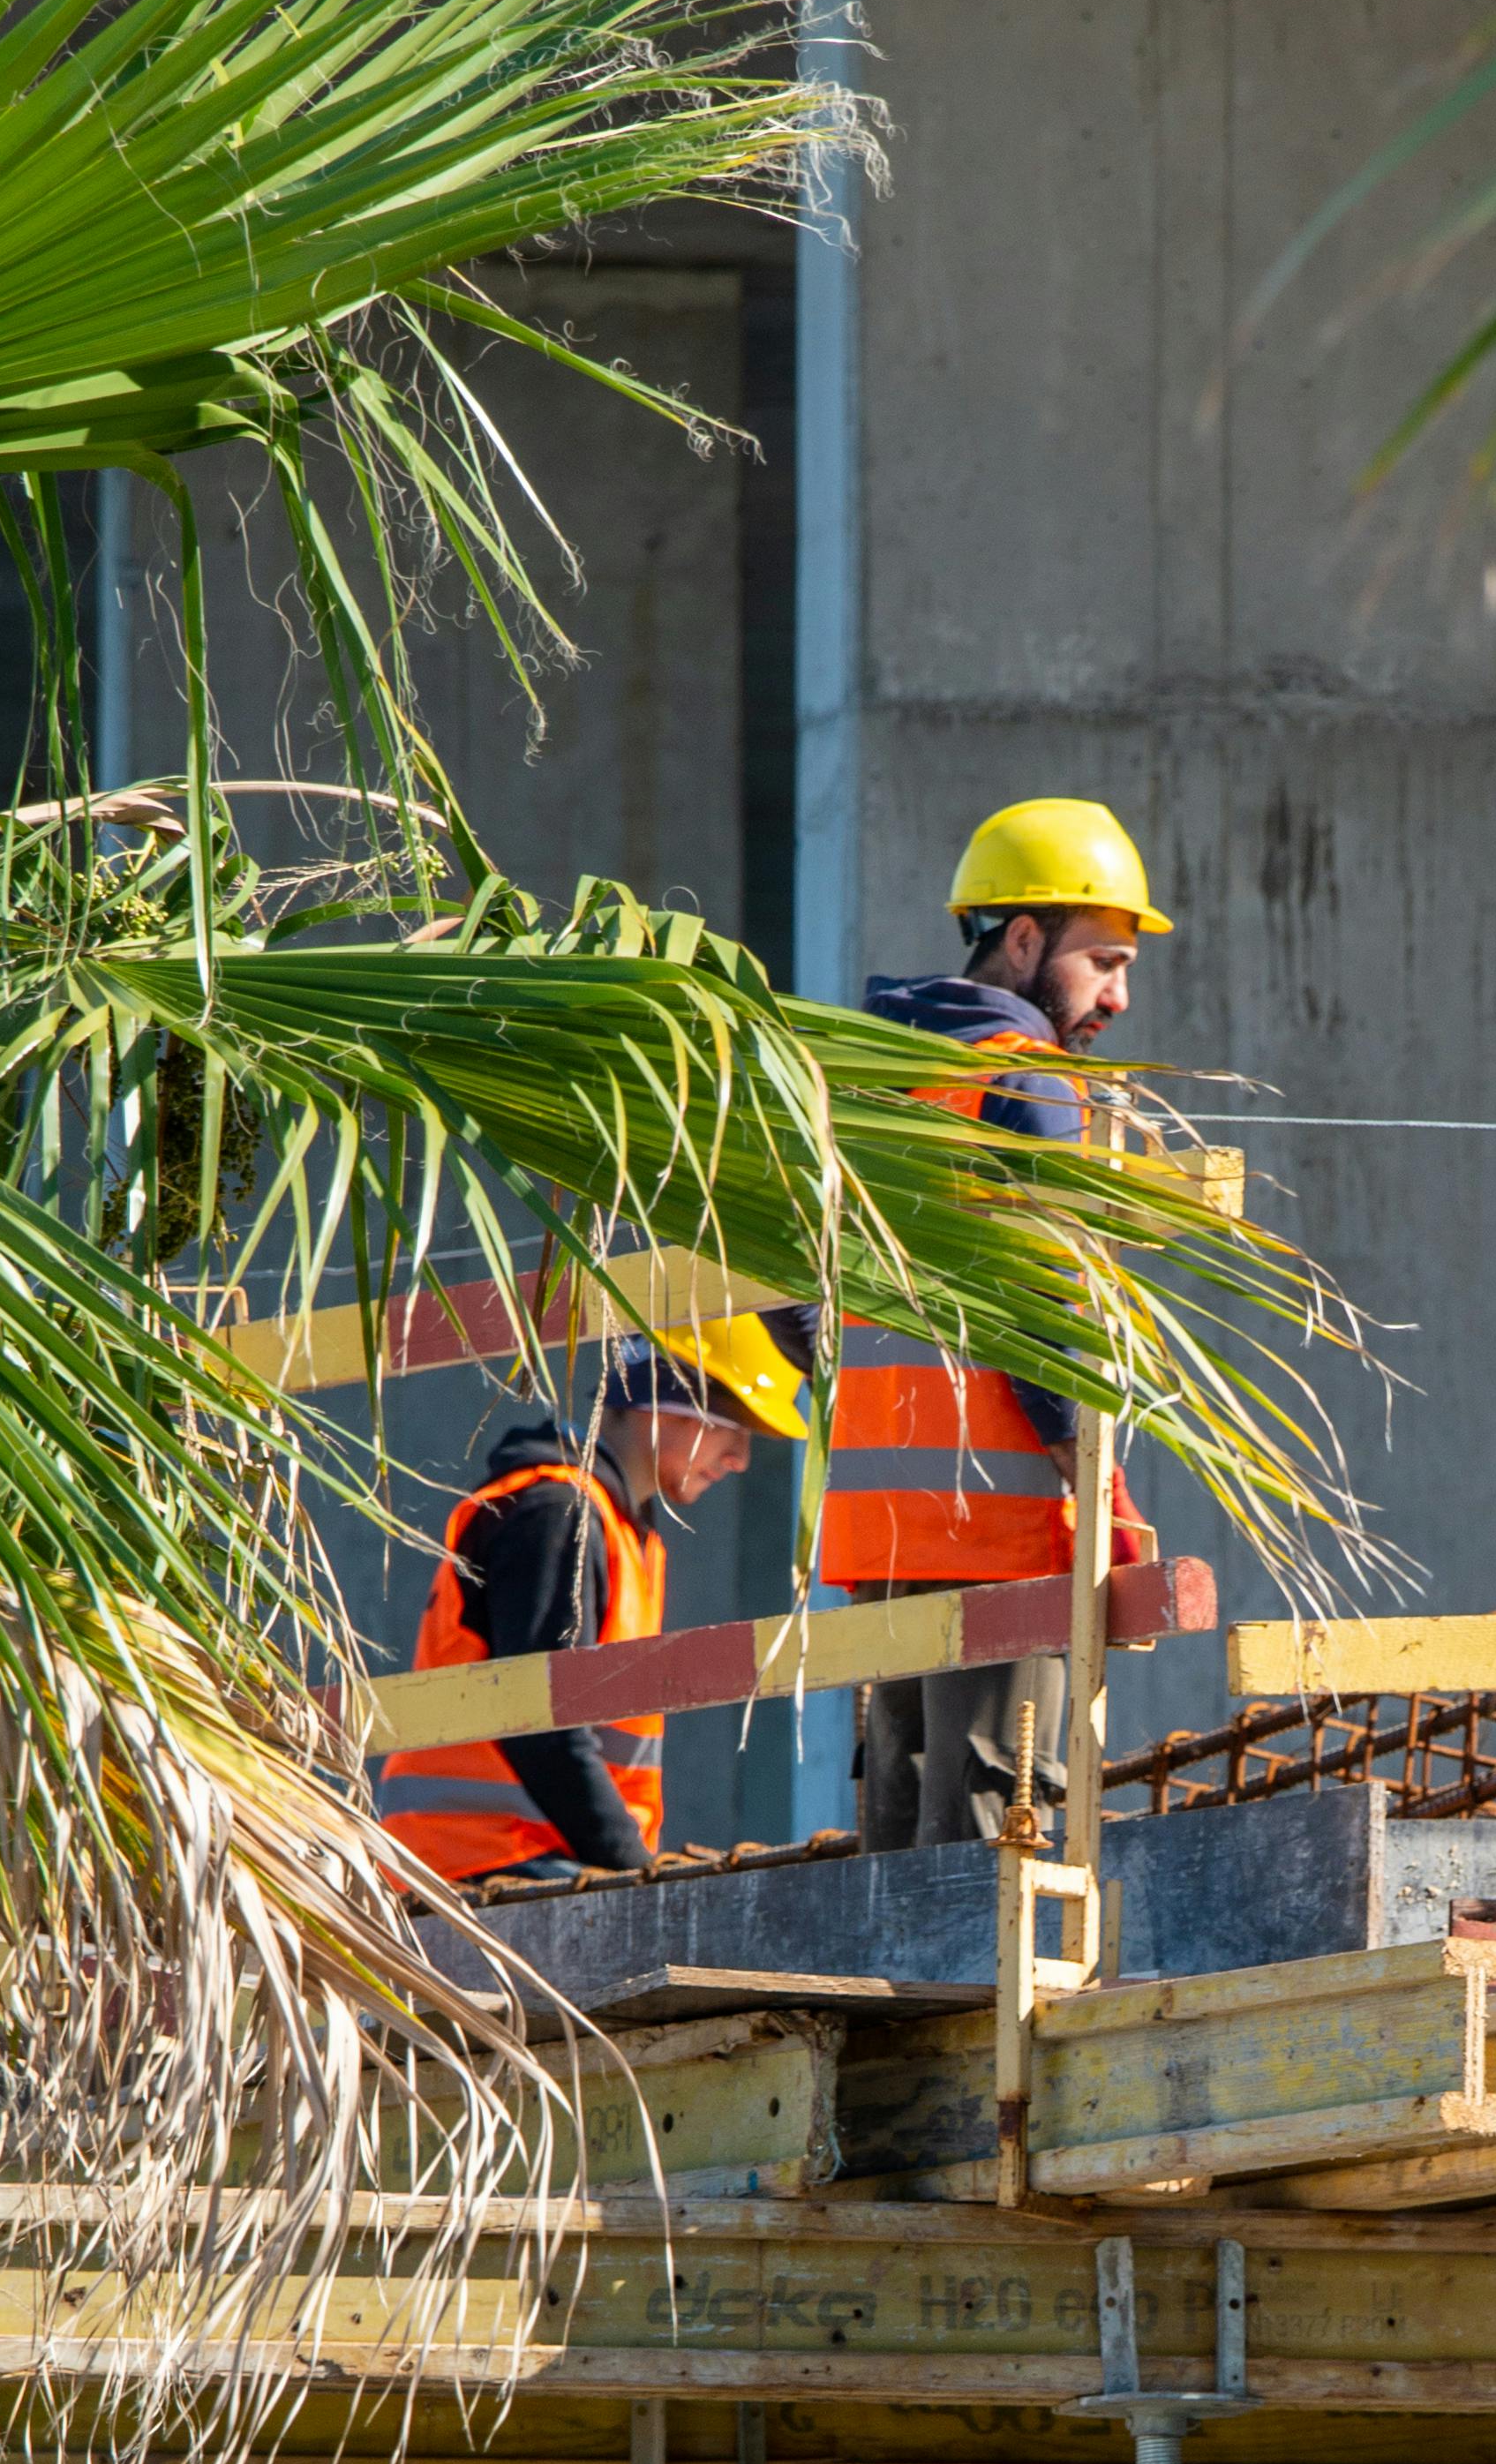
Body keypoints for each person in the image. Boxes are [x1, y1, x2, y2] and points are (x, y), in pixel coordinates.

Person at [834, 793, 1165, 1850]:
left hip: (880, 1528)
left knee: (893, 1827)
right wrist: (1094, 1480)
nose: (1118, 994)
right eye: (1104, 960)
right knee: (991, 1822)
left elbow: (799, 1297)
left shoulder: (871, 1074)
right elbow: (1041, 1304)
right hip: (998, 1525)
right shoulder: (1023, 1074)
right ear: (1023, 940)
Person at [375, 1333, 779, 1889]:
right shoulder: (557, 1513)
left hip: (530, 1860)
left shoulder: (618, 1527)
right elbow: (540, 1724)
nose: (739, 1460)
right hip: (485, 1863)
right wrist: (634, 1868)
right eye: (731, 1429)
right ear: (663, 1405)